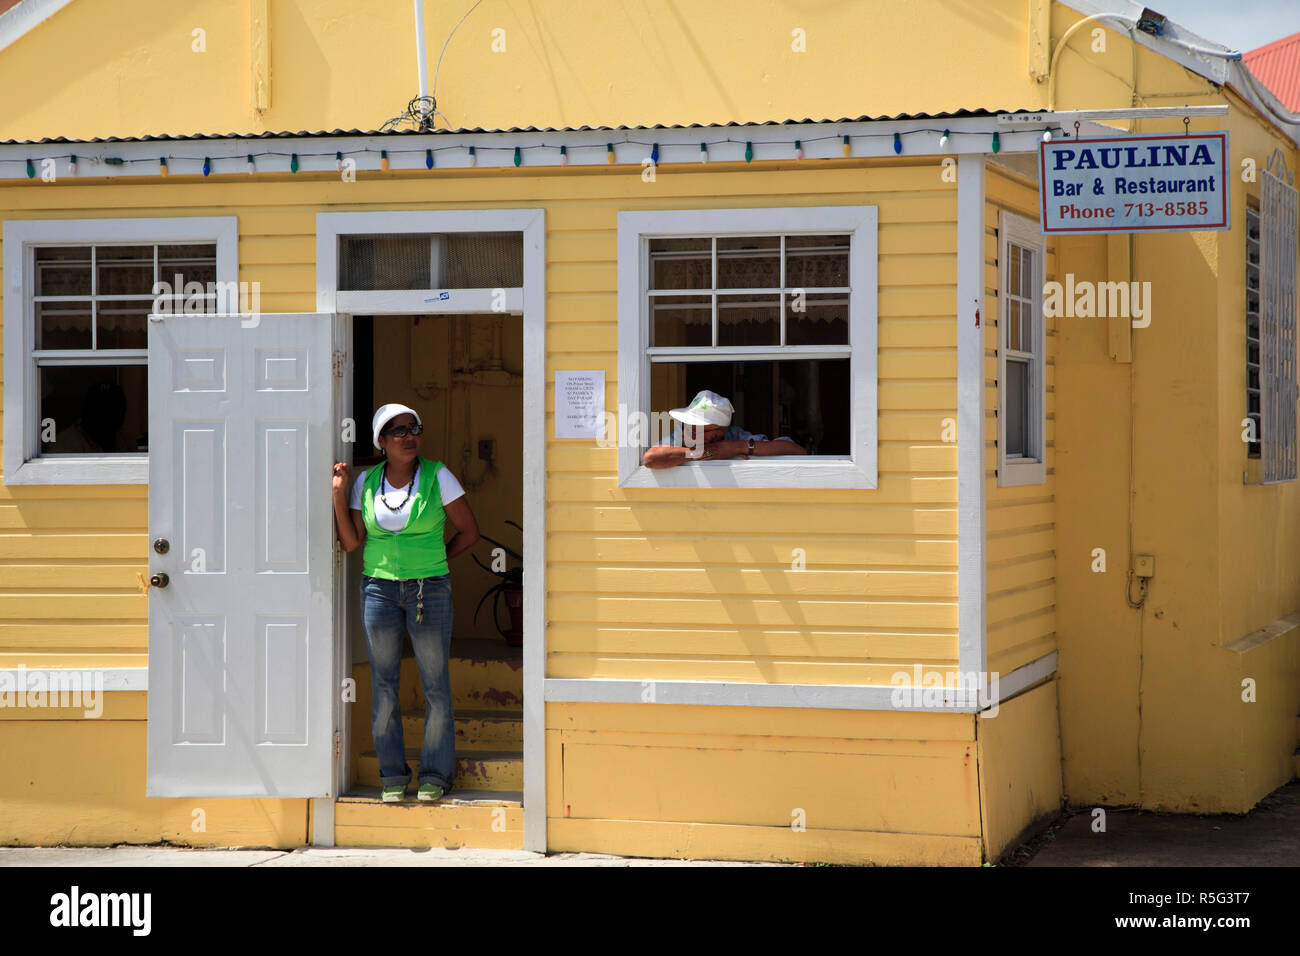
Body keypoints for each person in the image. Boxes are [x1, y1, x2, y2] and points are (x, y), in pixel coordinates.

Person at [331, 403, 481, 803]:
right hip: (378, 590)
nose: (408, 436)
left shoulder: (438, 476)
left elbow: (469, 532)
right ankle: (392, 777)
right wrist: (338, 494)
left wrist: (434, 564)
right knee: (383, 687)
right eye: (397, 431)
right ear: (381, 441)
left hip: (429, 591)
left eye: (414, 428)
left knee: (436, 686)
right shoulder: (366, 482)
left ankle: (435, 775)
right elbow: (350, 542)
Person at [643, 389, 806, 468]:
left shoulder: (733, 435)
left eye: (698, 428)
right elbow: (650, 459)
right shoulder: (682, 434)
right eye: (690, 424)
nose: (691, 430)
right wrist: (699, 453)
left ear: (719, 432)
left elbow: (796, 450)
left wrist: (735, 447)